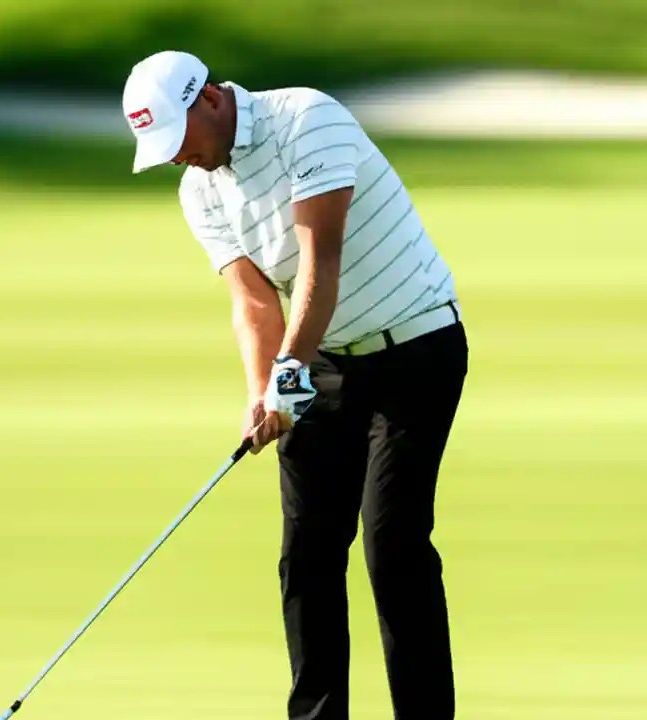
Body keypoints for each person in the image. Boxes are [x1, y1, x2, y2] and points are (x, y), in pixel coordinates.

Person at [121, 50, 466, 720]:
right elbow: (253, 301)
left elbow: (319, 264)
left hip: (416, 350)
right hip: (323, 362)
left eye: (176, 140)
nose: (173, 159)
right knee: (305, 553)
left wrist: (289, 370)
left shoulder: (306, 119)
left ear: (212, 101)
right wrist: (262, 391)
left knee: (392, 546)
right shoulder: (199, 188)